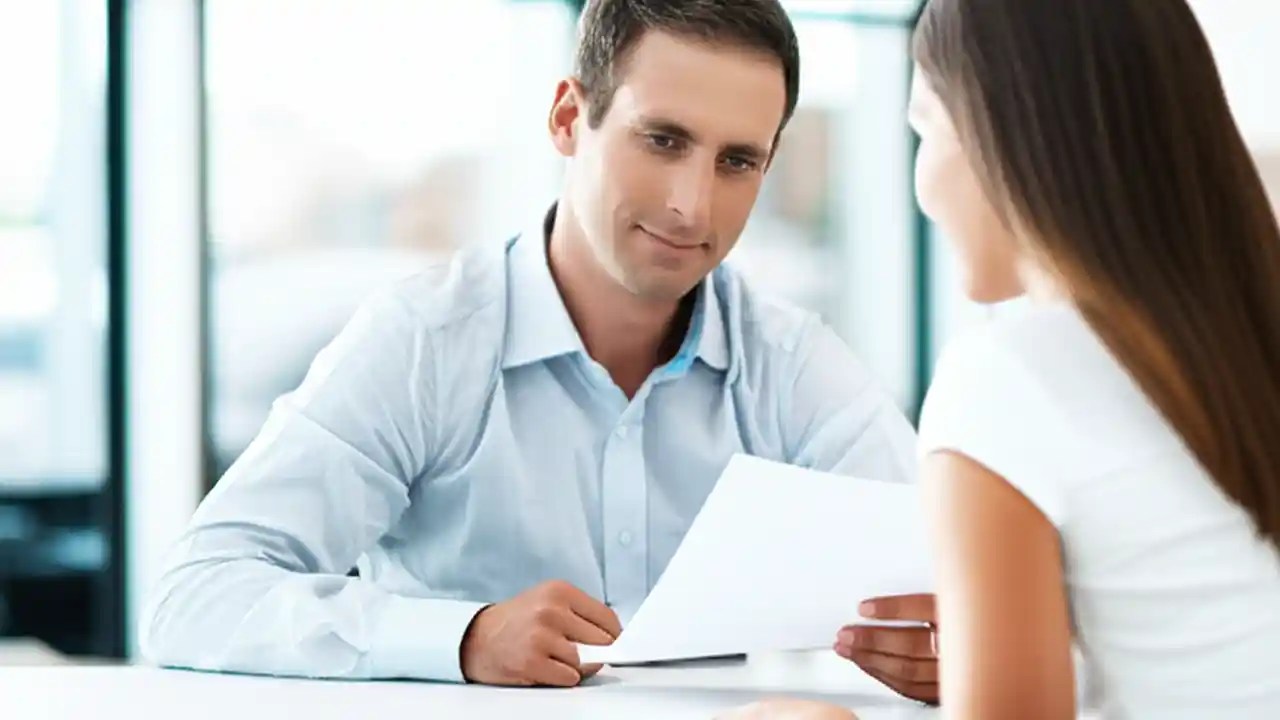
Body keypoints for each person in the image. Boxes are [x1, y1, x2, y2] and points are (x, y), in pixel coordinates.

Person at [140, 0, 932, 694]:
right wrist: (464, 636)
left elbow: (950, 574)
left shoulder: (789, 362)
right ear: (566, 119)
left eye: (736, 162)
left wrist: (947, 641)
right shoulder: (427, 342)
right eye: (661, 140)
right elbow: (195, 598)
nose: (693, 206)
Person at [727, 0, 1280, 718]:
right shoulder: (1244, 338)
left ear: (1001, 130)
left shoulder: (1008, 378)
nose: (922, 185)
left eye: (925, 128)